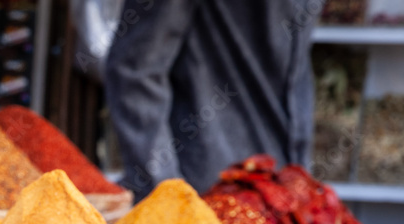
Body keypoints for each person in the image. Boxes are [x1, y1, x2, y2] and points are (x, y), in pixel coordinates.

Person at [105, 0, 320, 198]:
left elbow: (295, 73)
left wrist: (300, 183)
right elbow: (136, 67)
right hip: (205, 187)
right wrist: (167, 199)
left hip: (280, 188)